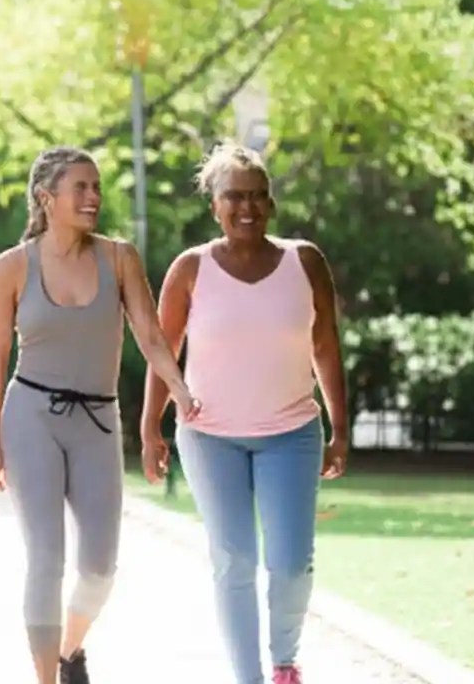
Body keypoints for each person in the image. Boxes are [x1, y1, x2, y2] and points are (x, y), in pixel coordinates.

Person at [0, 146, 199, 684]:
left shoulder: (118, 257)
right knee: (46, 556)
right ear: (46, 198)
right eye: (81, 187)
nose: (93, 197)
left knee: (99, 568)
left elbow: (150, 334)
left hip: (98, 422)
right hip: (31, 414)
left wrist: (181, 391)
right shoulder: (12, 267)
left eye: (97, 187)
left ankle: (70, 649)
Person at [140, 143, 348, 684]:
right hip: (210, 437)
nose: (247, 208)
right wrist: (149, 427)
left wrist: (340, 428)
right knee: (233, 560)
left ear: (271, 204)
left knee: (290, 563)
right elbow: (164, 350)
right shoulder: (191, 268)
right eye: (234, 197)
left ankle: (284, 661)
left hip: (291, 432)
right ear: (215, 205)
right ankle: (249, 679)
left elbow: (325, 346)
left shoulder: (305, 261)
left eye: (258, 196)